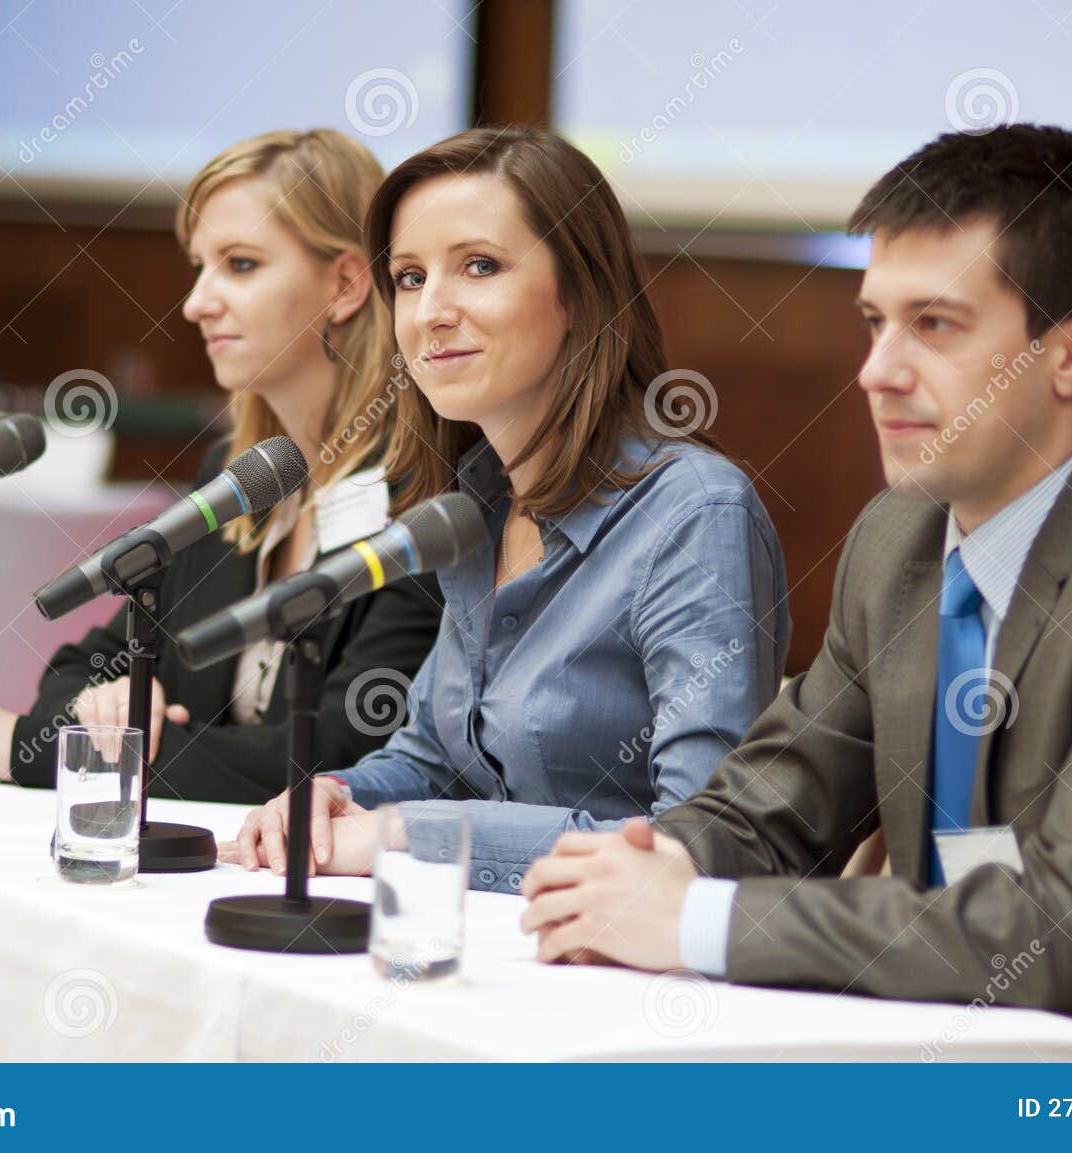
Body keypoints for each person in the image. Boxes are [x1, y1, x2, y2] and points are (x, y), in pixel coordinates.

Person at [520, 124, 1072, 1062]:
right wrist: (654, 866)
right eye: (876, 322)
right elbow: (773, 804)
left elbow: (1051, 935)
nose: (877, 371)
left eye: (935, 325)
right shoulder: (899, 539)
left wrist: (696, 919)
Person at [224, 126, 791, 892]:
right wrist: (337, 795)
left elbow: (701, 840)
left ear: (579, 293)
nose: (430, 312)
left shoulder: (693, 513)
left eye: (480, 266)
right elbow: (429, 757)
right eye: (411, 277)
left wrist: (406, 833)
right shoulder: (476, 506)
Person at [0, 129, 444, 802]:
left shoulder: (422, 490)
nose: (196, 303)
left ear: (348, 283)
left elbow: (338, 754)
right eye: (199, 266)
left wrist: (41, 753)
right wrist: (110, 704)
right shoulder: (236, 474)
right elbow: (79, 666)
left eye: (239, 264)